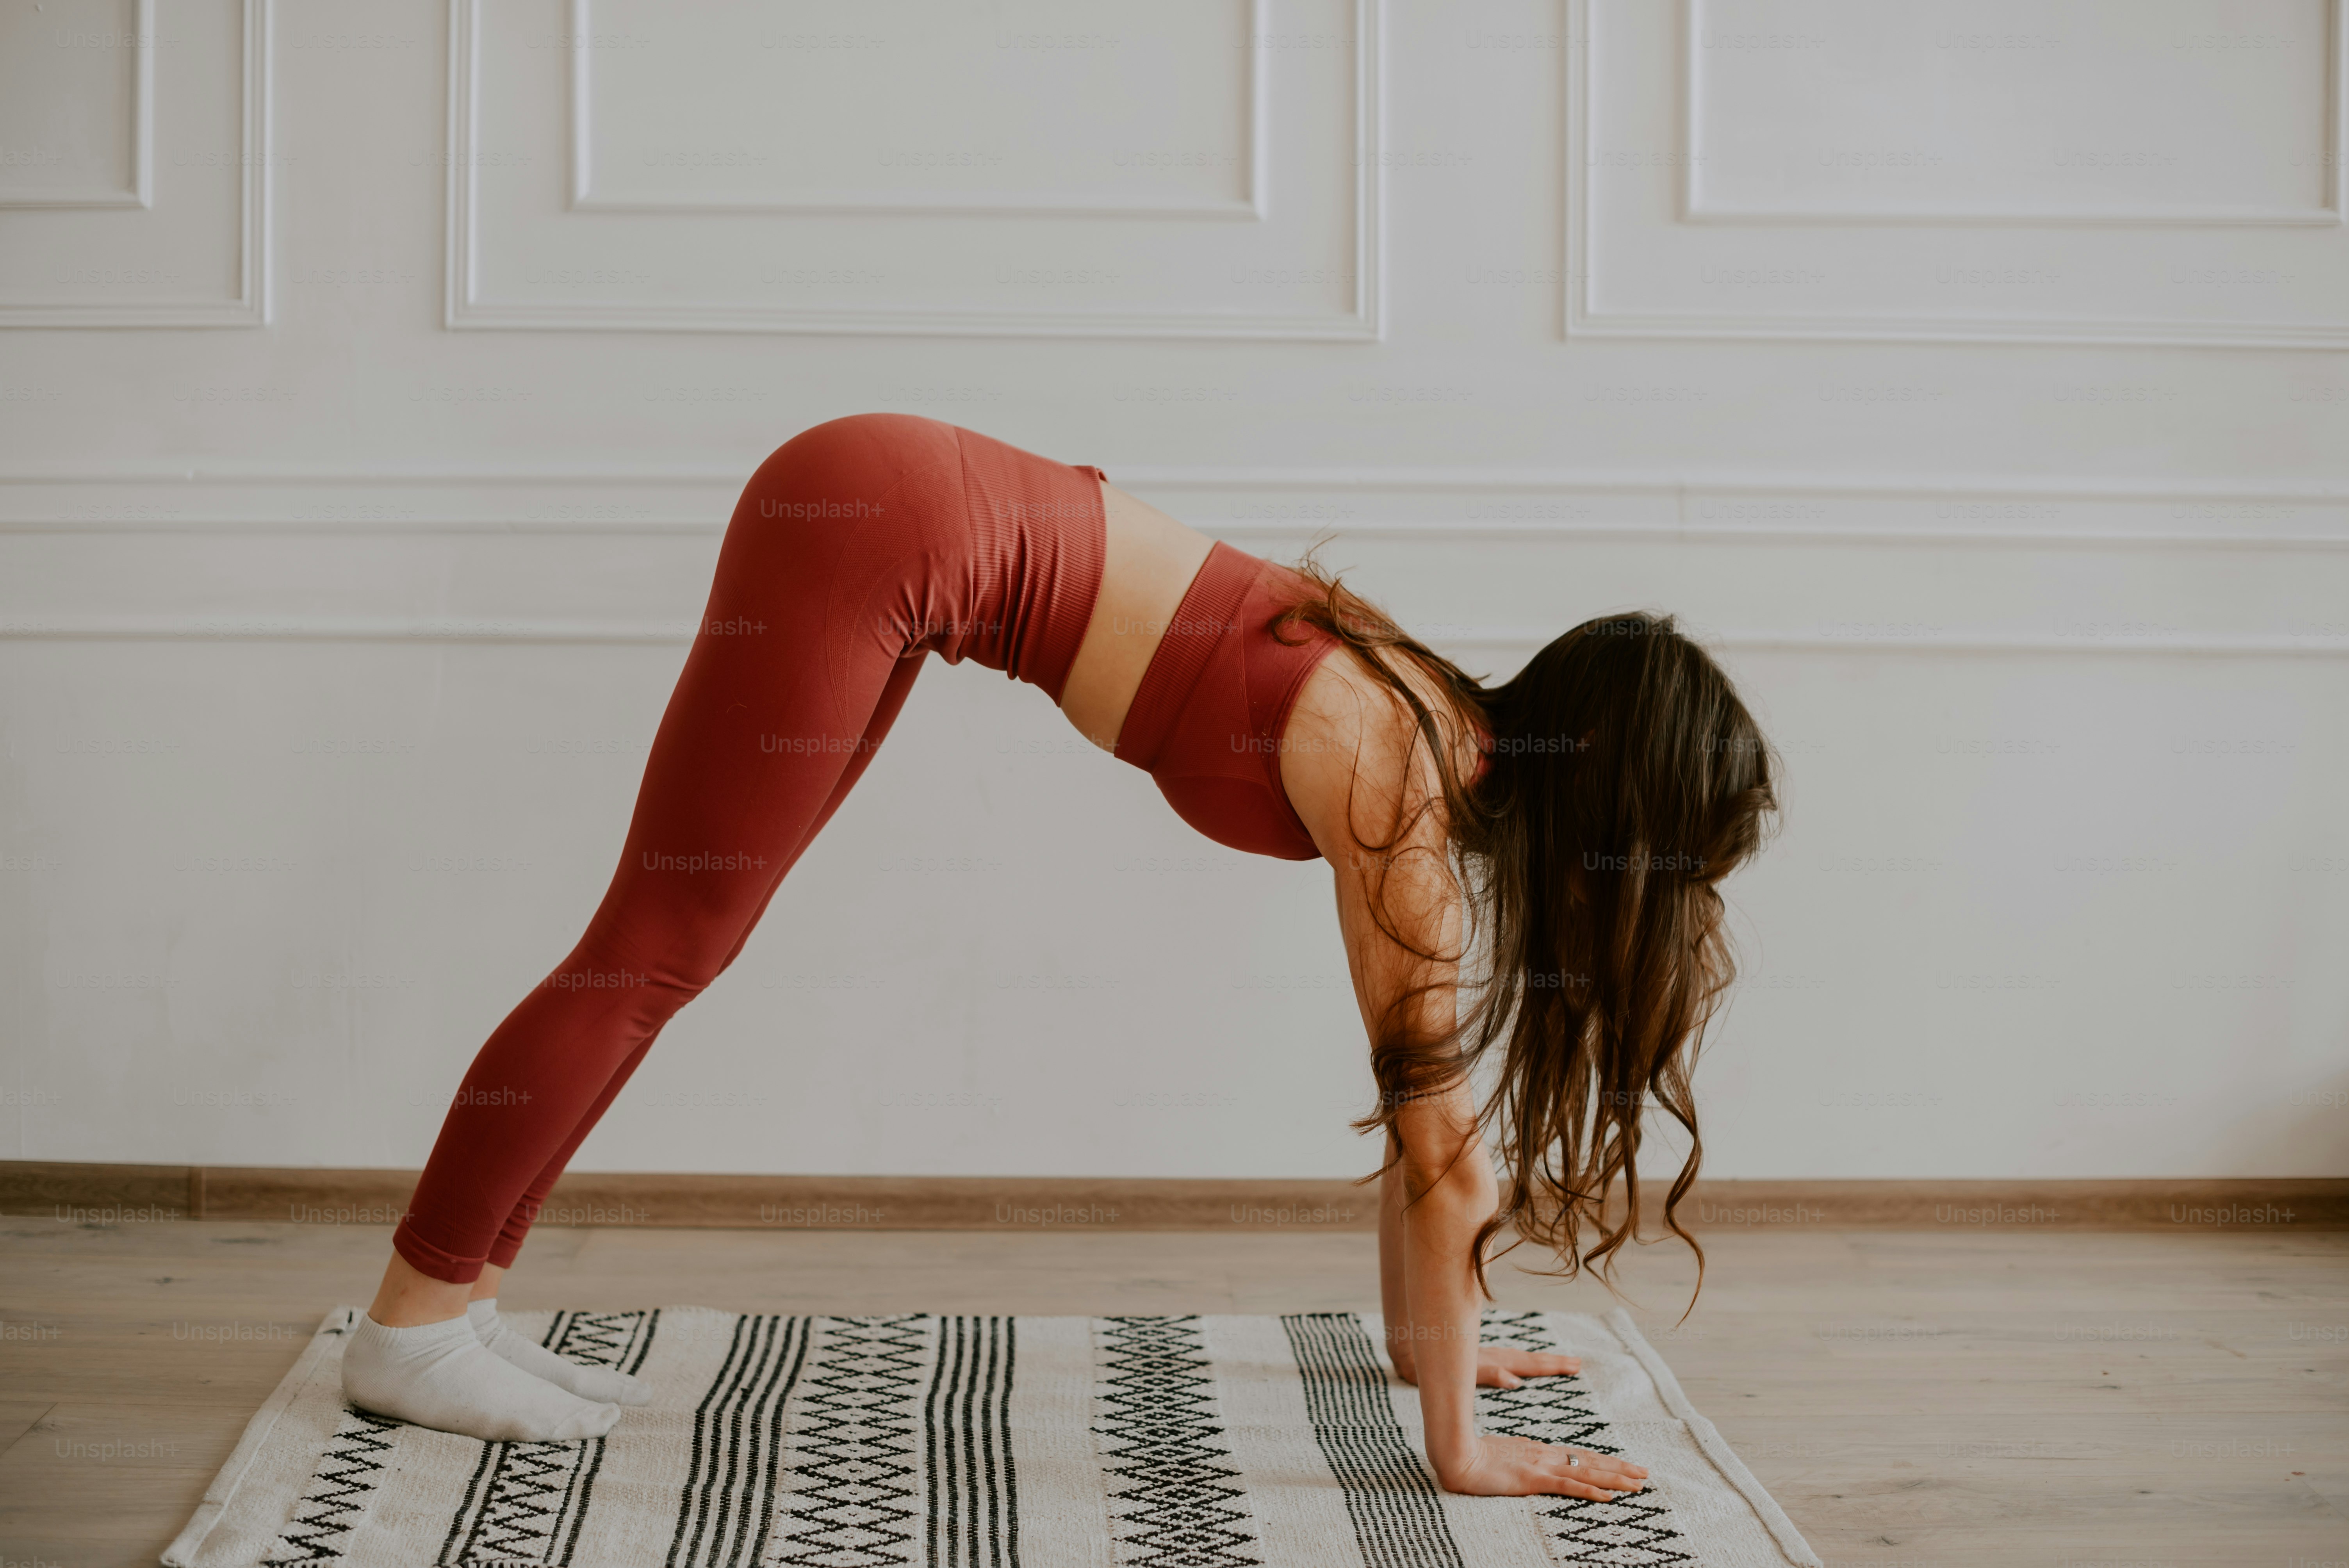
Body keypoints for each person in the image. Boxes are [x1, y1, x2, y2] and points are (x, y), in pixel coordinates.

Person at [340, 413, 1777, 1501]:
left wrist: (1425, 1356)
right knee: (651, 950)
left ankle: (457, 1304)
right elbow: (1449, 1151)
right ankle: (413, 1322)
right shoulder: (1400, 770)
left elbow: (1425, 1126)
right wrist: (1459, 1447)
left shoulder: (1425, 717)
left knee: (668, 954)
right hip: (880, 526)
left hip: (893, 520)